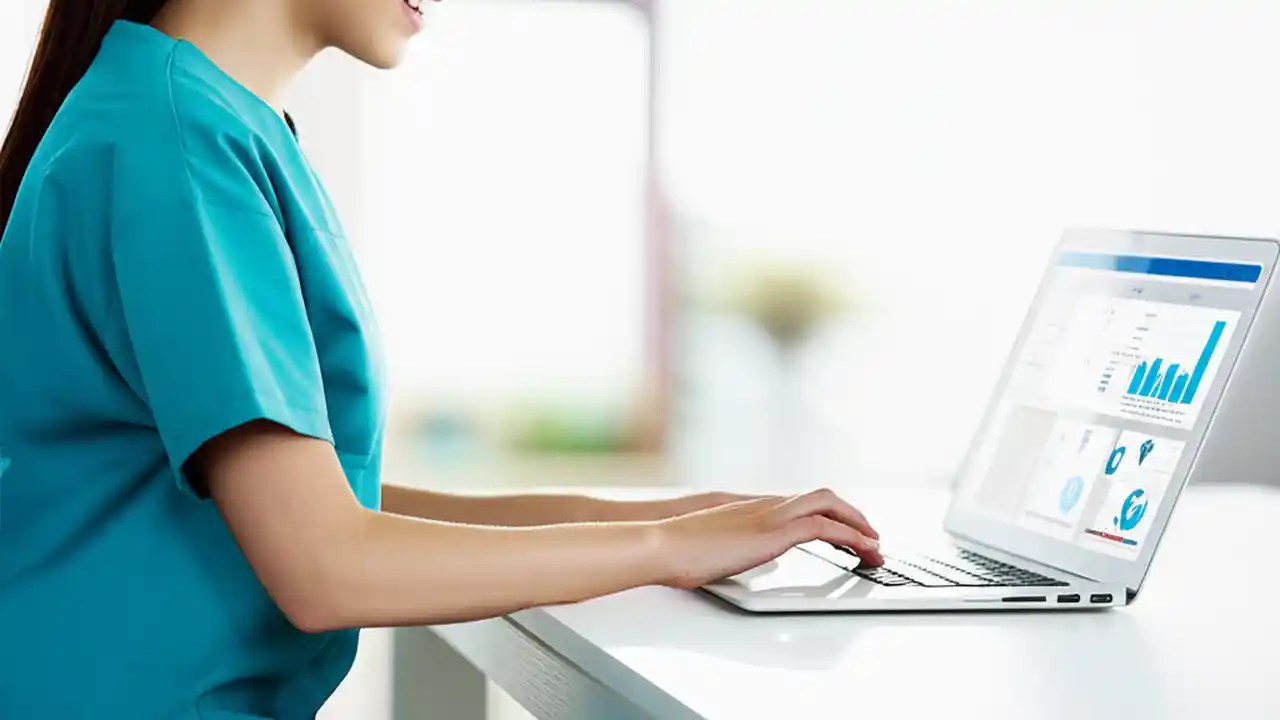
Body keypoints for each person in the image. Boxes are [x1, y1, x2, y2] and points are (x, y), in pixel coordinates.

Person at [0, 1, 883, 717]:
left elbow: (307, 500)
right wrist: (663, 546)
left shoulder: (188, 116)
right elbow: (325, 565)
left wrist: (631, 516)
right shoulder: (178, 143)